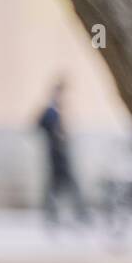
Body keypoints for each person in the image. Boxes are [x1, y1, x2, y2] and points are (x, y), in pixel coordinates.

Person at [36, 79, 89, 225]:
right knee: (62, 185)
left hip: (62, 153)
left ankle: (73, 213)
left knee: (63, 185)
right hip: (56, 154)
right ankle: (73, 213)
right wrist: (54, 134)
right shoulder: (50, 111)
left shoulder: (59, 110)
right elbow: (39, 125)